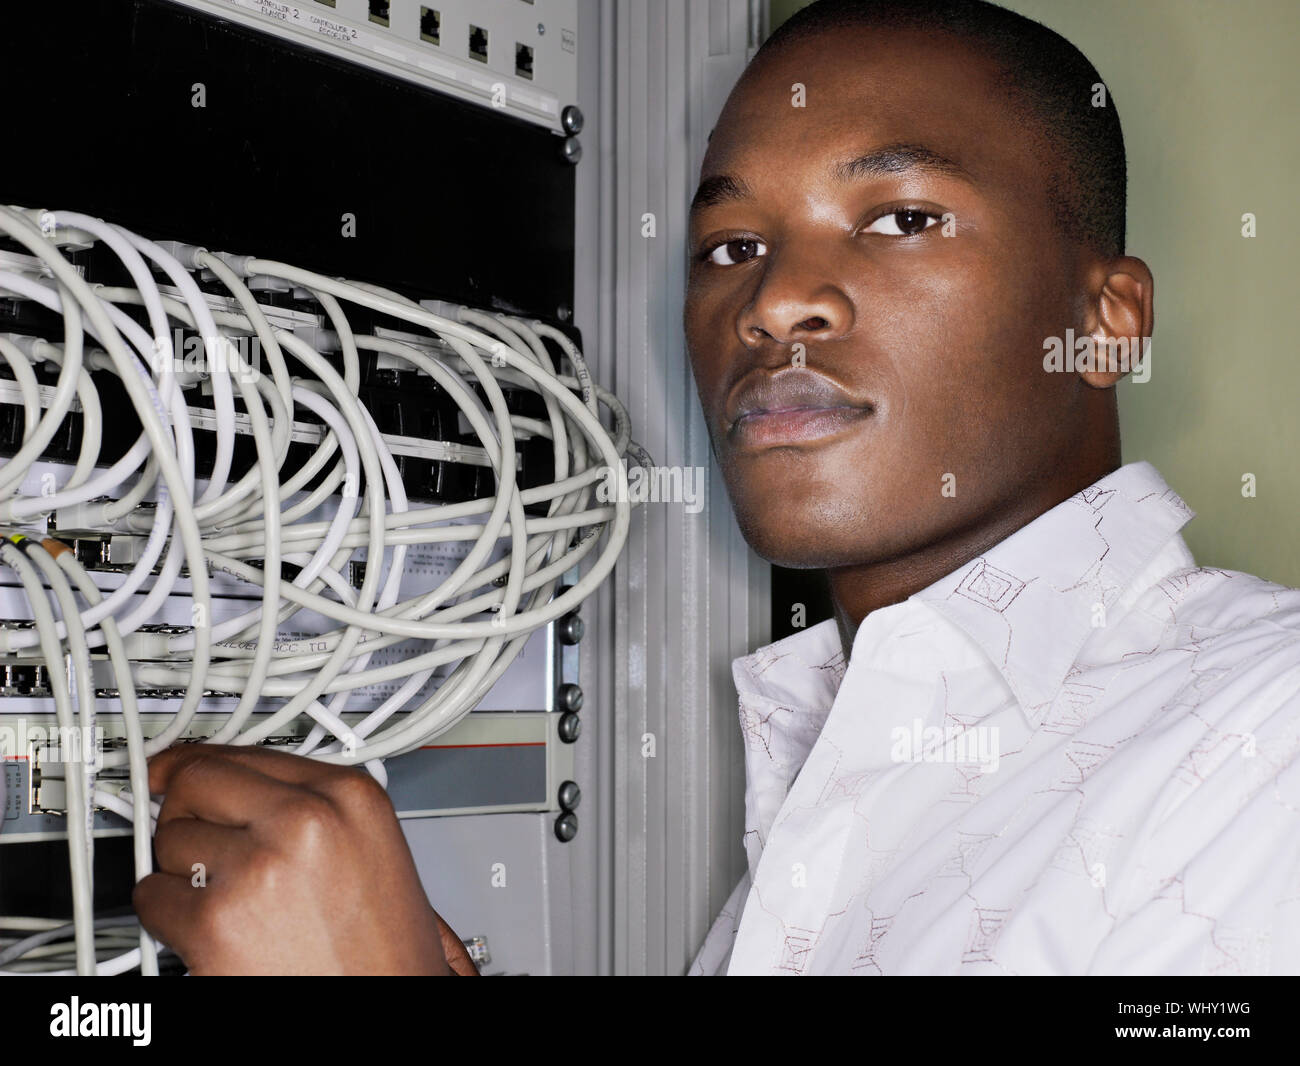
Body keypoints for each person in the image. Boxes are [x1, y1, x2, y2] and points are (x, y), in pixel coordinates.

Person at [133, 0, 1300, 975]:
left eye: (899, 219)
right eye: (731, 246)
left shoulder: (1267, 735)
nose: (773, 303)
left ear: (1103, 323)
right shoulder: (845, 745)